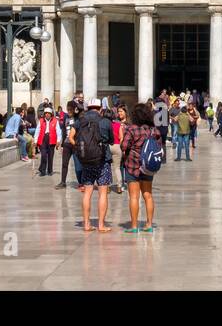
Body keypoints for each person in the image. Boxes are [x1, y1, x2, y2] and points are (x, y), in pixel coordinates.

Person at [70, 99, 114, 233]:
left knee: (87, 193)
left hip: (87, 161)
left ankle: (87, 224)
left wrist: (80, 149)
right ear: (100, 108)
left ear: (87, 108)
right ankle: (101, 225)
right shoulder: (105, 121)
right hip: (103, 161)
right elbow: (112, 140)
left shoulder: (80, 121)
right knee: (102, 193)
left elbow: (71, 137)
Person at [120, 102, 160, 234]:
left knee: (134, 197)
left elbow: (123, 146)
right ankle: (149, 224)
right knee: (148, 195)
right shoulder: (154, 130)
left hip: (133, 166)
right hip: (148, 166)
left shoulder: (132, 129)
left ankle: (134, 226)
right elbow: (158, 146)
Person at [55, 101, 81, 188]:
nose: (69, 111)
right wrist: (62, 144)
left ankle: (81, 182)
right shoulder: (65, 117)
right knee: (64, 164)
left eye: (70, 109)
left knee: (78, 166)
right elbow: (63, 131)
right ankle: (63, 182)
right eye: (68, 109)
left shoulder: (78, 118)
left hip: (75, 144)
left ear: (74, 109)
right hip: (66, 144)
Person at [35, 106, 61, 177]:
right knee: (43, 155)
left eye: (49, 113)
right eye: (46, 113)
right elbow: (37, 130)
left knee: (50, 156)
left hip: (51, 140)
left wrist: (58, 141)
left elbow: (58, 131)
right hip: (43, 139)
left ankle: (50, 170)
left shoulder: (55, 121)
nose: (47, 115)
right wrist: (35, 141)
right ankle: (42, 171)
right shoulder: (41, 121)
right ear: (44, 114)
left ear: (51, 114)